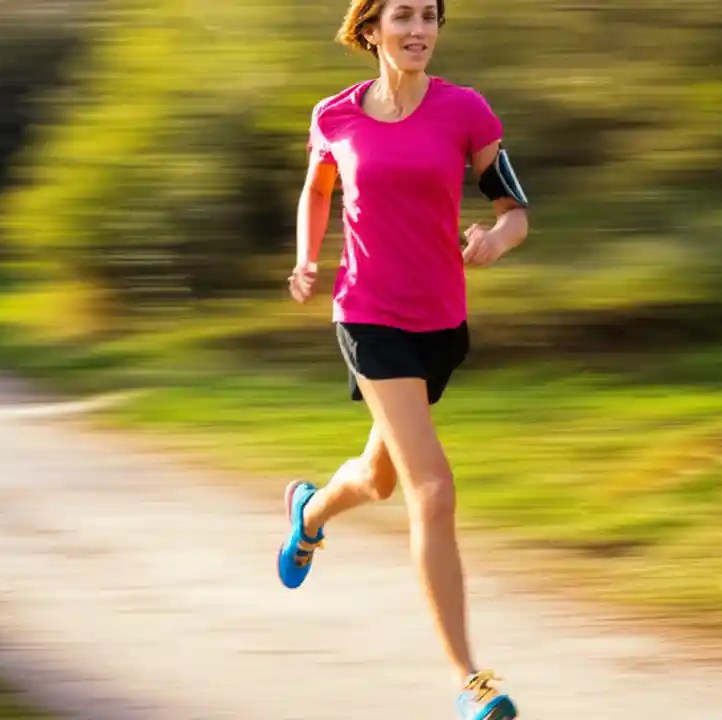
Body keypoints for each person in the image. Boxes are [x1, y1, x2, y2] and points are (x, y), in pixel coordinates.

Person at [276, 2, 530, 719]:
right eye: (402, 16)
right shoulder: (335, 117)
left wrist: (497, 241)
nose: (418, 29)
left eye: (429, 16)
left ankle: (310, 511)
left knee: (378, 478)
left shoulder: (466, 111)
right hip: (367, 313)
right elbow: (317, 188)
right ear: (370, 29)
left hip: (440, 320)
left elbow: (516, 209)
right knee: (432, 487)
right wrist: (304, 259)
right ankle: (469, 680)